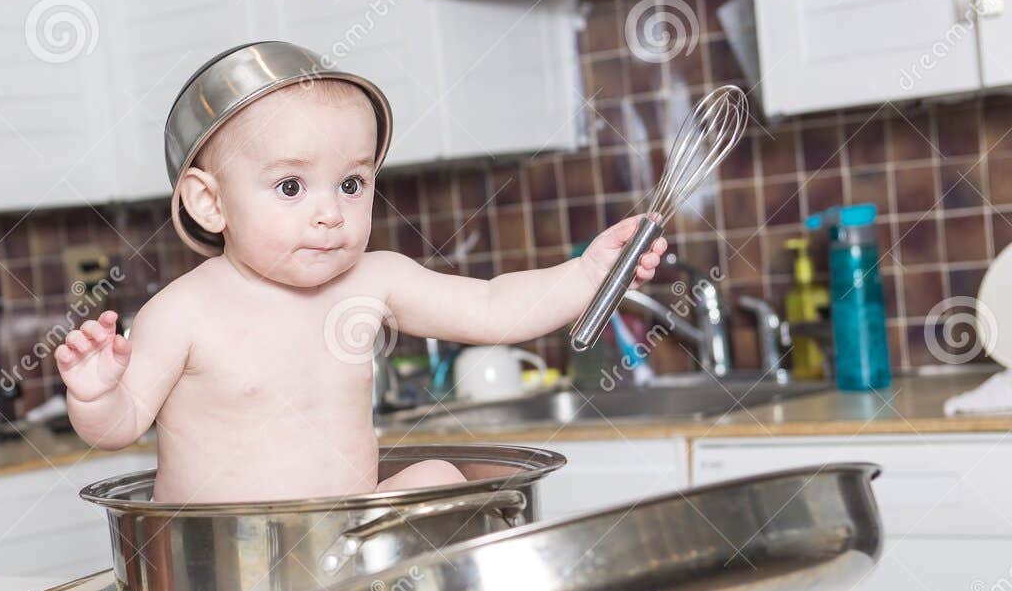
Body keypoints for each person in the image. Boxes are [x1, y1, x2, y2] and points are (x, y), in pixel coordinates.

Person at [55, 59, 664, 505]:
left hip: (345, 549)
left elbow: (493, 308)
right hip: (224, 557)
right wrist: (94, 396)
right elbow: (120, 427)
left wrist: (588, 274)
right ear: (210, 204)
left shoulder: (373, 279)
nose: (331, 213)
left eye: (352, 183)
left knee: (441, 479)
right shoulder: (183, 311)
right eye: (290, 187)